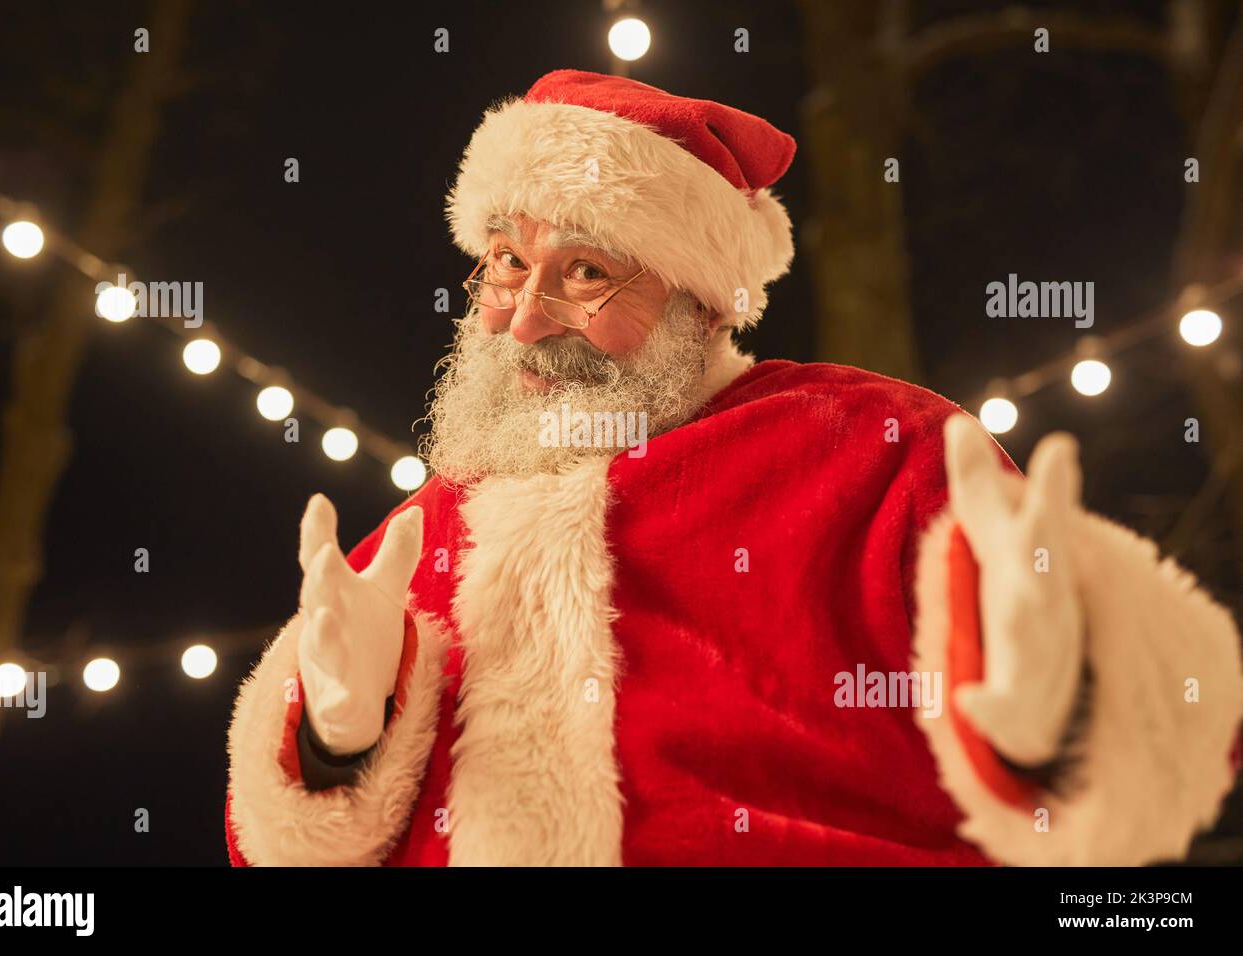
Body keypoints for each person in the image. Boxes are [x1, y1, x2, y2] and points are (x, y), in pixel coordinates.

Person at [225, 68, 1242, 867]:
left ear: (702, 303)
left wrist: (1067, 706)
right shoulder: (425, 532)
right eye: (503, 259)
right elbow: (276, 841)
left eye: (585, 269)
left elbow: (1181, 733)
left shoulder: (879, 449)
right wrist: (333, 737)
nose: (524, 316)